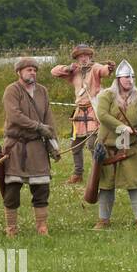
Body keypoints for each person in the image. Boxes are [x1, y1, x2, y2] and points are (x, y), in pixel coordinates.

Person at [93, 60, 137, 229]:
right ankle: (103, 220)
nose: (129, 79)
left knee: (135, 183)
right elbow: (102, 115)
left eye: (131, 77)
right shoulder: (107, 95)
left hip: (132, 146)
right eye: (126, 77)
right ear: (118, 79)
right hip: (108, 146)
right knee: (106, 186)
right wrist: (121, 127)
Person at [1, 57, 58, 236]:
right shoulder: (12, 90)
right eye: (28, 69)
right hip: (16, 145)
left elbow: (48, 118)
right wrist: (38, 127)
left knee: (42, 187)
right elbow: (14, 116)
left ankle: (42, 227)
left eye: (34, 69)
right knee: (12, 189)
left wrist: (53, 144)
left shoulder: (42, 91)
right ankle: (11, 228)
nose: (32, 72)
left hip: (37, 146)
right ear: (19, 72)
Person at [50, 44, 114, 184]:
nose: (83, 58)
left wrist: (109, 68)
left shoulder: (95, 67)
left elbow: (104, 71)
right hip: (79, 111)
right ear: (77, 58)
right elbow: (54, 71)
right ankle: (78, 174)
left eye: (86, 56)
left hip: (93, 109)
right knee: (75, 145)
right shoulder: (74, 72)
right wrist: (68, 68)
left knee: (92, 144)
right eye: (80, 56)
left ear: (90, 57)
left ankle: (99, 173)